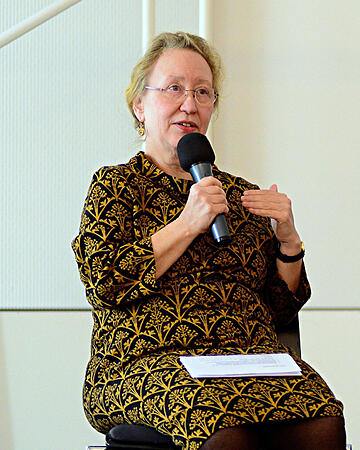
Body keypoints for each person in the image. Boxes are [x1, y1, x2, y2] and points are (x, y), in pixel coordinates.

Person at [72, 32, 344, 450]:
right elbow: (105, 281)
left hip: (245, 360)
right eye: (174, 88)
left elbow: (278, 308)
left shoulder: (240, 195)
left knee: (322, 415)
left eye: (203, 92)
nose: (190, 104)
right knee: (221, 426)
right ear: (139, 105)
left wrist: (289, 243)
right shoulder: (116, 185)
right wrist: (186, 223)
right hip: (143, 362)